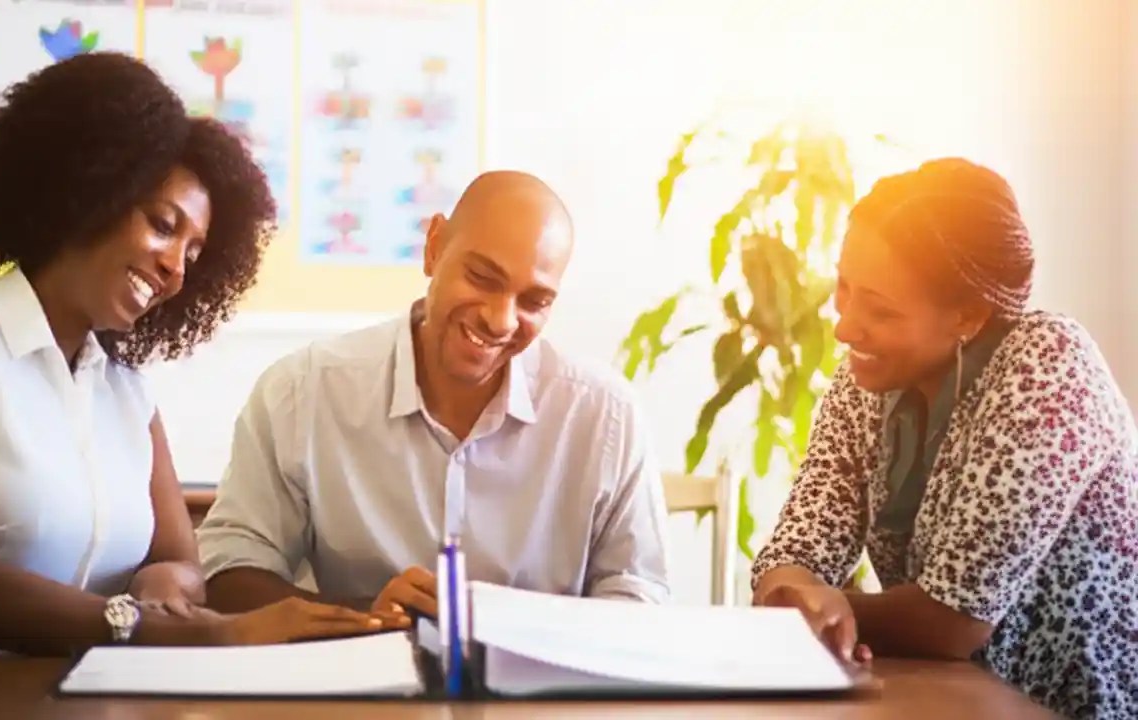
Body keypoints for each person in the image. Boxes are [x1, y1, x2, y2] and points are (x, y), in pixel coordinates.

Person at [0, 52, 403, 707]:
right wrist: (186, 635)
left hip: (68, 698)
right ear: (89, 189)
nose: (176, 269)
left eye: (194, 254)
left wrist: (164, 591)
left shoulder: (124, 390)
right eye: (163, 225)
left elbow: (179, 559)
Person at [751, 157, 1137, 720]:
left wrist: (822, 611)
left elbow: (956, 620)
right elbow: (798, 547)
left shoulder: (1050, 366)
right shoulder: (864, 379)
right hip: (945, 702)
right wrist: (794, 590)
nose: (844, 326)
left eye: (879, 308)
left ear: (969, 315)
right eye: (844, 285)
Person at [197, 170, 670, 616]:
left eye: (534, 302)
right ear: (433, 248)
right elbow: (228, 569)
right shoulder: (303, 393)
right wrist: (368, 615)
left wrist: (524, 625)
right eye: (483, 278)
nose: (500, 320)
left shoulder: (605, 417)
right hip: (364, 696)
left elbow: (639, 597)